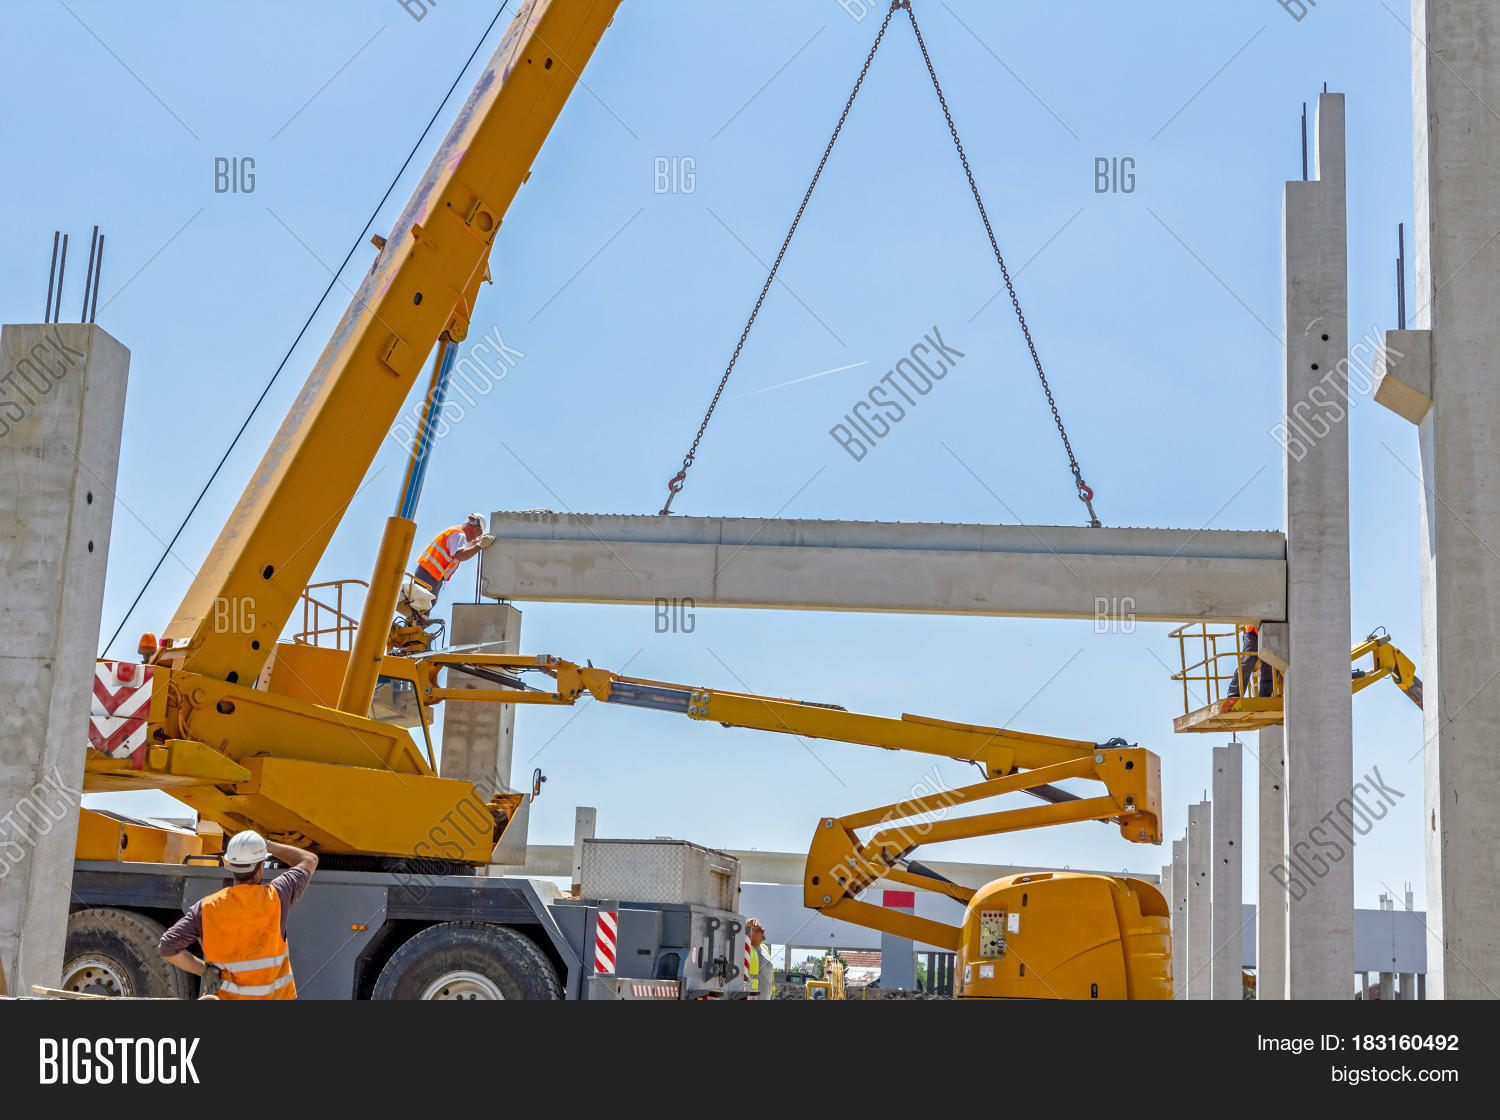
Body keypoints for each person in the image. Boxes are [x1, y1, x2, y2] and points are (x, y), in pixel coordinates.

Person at [159, 830, 317, 1000]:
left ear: (231, 866)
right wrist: (267, 844)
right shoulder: (277, 896)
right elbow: (309, 859)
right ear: (261, 866)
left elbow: (168, 948)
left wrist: (204, 970)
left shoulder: (207, 907)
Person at [405, 514, 495, 622]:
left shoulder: (458, 533)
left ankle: (413, 630)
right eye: (477, 535)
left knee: (422, 608)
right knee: (421, 609)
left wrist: (479, 542)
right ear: (477, 530)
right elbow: (461, 555)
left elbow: (469, 544)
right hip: (429, 575)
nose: (475, 539)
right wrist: (480, 545)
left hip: (430, 574)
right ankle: (413, 632)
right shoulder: (459, 535)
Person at [1225, 623, 1273, 699]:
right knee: (1247, 662)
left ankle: (1265, 697)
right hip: (1253, 632)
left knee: (1270, 667)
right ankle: (1234, 695)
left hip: (1271, 634)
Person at [746, 918, 775, 1000]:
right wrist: (747, 925)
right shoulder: (748, 950)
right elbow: (739, 939)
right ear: (750, 934)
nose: (763, 930)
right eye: (758, 929)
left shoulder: (765, 948)